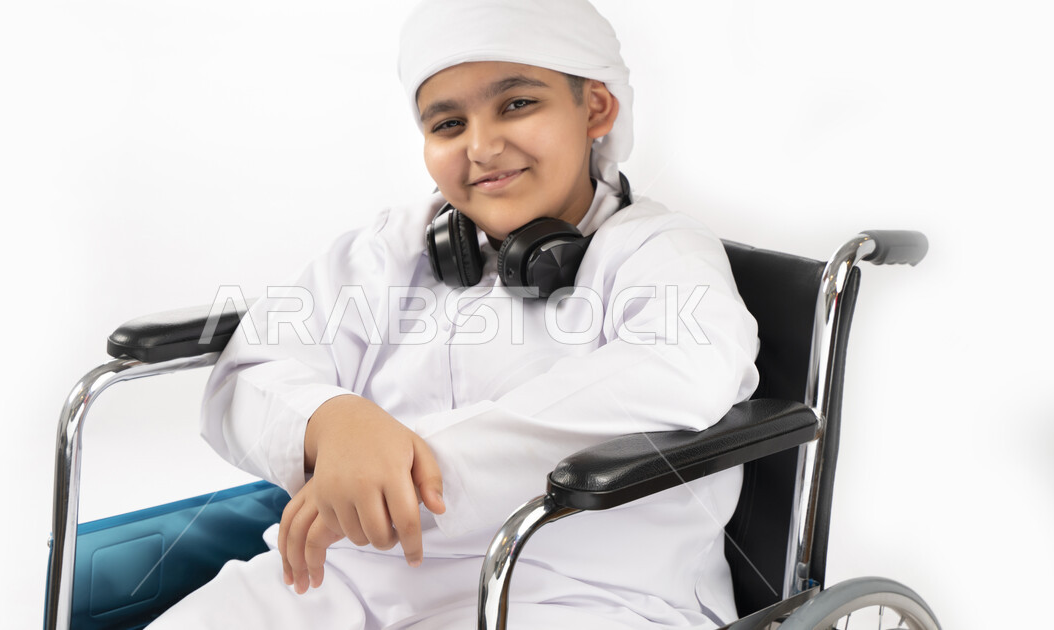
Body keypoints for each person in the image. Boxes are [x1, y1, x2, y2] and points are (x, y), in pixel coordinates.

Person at [149, 0, 759, 627]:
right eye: (446, 124)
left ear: (596, 108)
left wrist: (404, 467)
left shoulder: (659, 250)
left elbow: (679, 373)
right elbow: (256, 364)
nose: (483, 146)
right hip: (345, 574)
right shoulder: (389, 248)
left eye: (517, 104)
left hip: (578, 591)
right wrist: (330, 421)